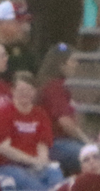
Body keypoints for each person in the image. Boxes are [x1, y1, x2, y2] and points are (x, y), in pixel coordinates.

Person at [0, 71, 61, 191]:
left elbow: (42, 145)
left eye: (29, 90)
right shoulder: (4, 114)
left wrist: (42, 162)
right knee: (29, 182)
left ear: (34, 92)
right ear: (13, 91)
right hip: (8, 166)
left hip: (34, 164)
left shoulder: (41, 114)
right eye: (21, 89)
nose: (25, 93)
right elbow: (3, 148)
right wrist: (32, 161)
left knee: (54, 172)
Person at [35, 44, 89, 173]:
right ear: (62, 64)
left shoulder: (55, 86)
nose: (76, 64)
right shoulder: (55, 87)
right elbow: (65, 122)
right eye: (72, 61)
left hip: (58, 142)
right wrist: (87, 142)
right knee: (93, 156)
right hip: (54, 143)